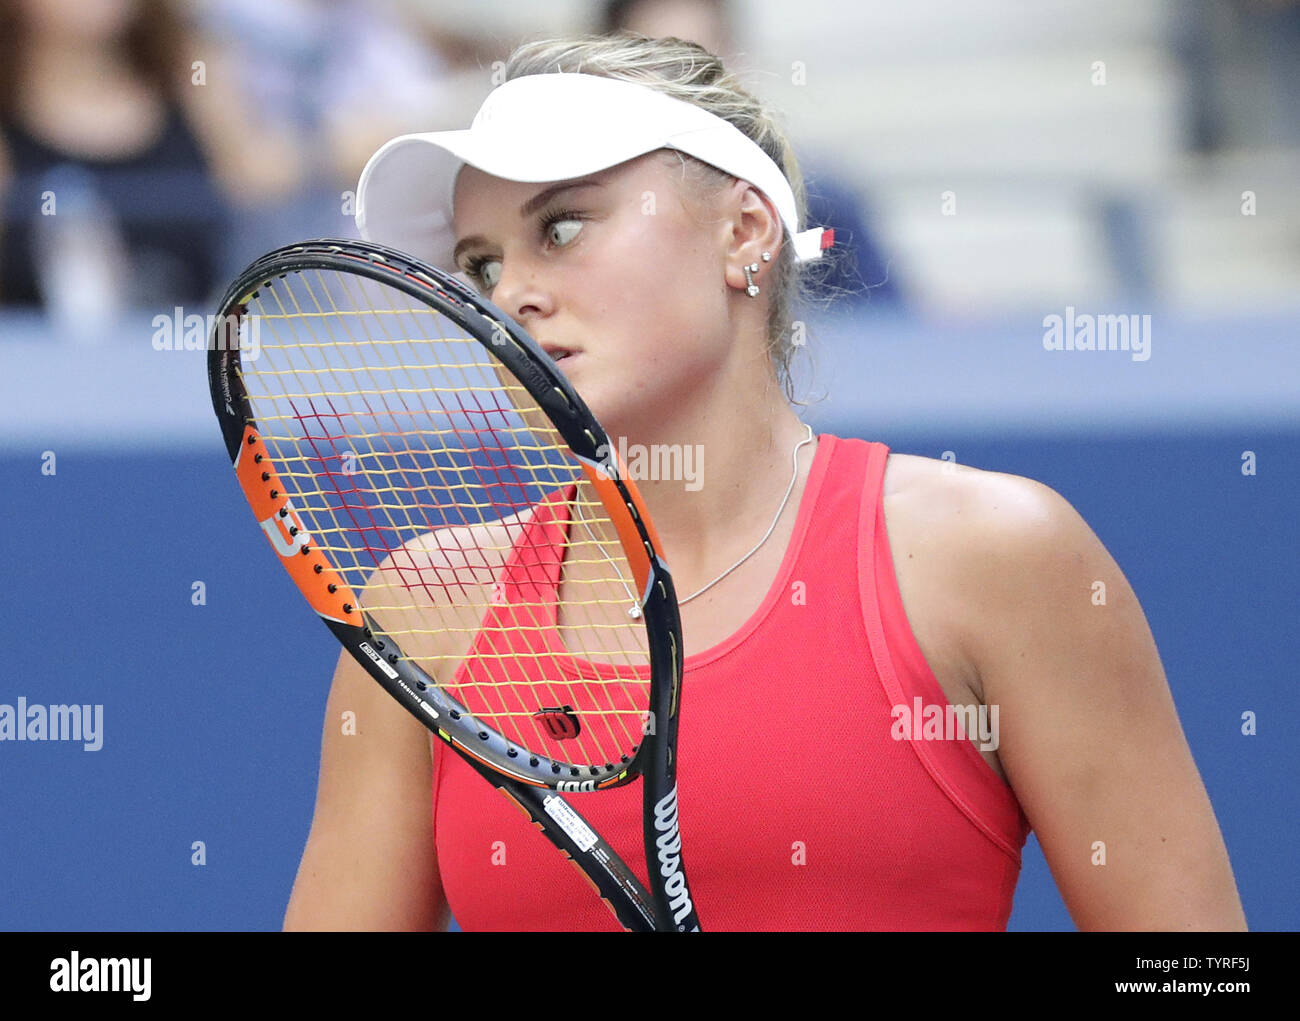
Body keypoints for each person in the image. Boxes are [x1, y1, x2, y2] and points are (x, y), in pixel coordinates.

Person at [282, 33, 1246, 931]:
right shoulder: (427, 611)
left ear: (746, 231)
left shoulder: (995, 556)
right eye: (480, 262)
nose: (510, 294)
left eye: (564, 227)